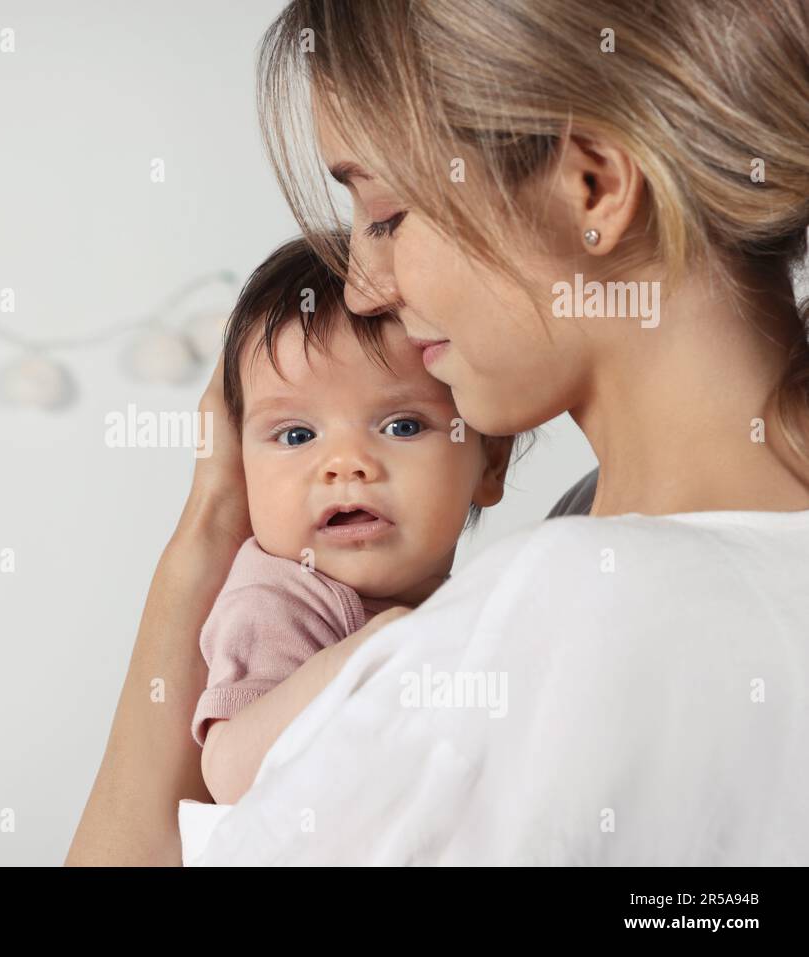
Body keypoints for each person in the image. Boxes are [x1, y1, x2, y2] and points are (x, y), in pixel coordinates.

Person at [67, 0, 809, 866]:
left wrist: (206, 525)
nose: (360, 289)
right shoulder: (616, 540)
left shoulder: (554, 613)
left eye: (385, 216)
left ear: (594, 186)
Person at [190, 233, 516, 808]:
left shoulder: (483, 600)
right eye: (296, 435)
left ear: (490, 462)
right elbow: (230, 770)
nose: (346, 467)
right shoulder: (282, 598)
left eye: (402, 427)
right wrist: (370, 655)